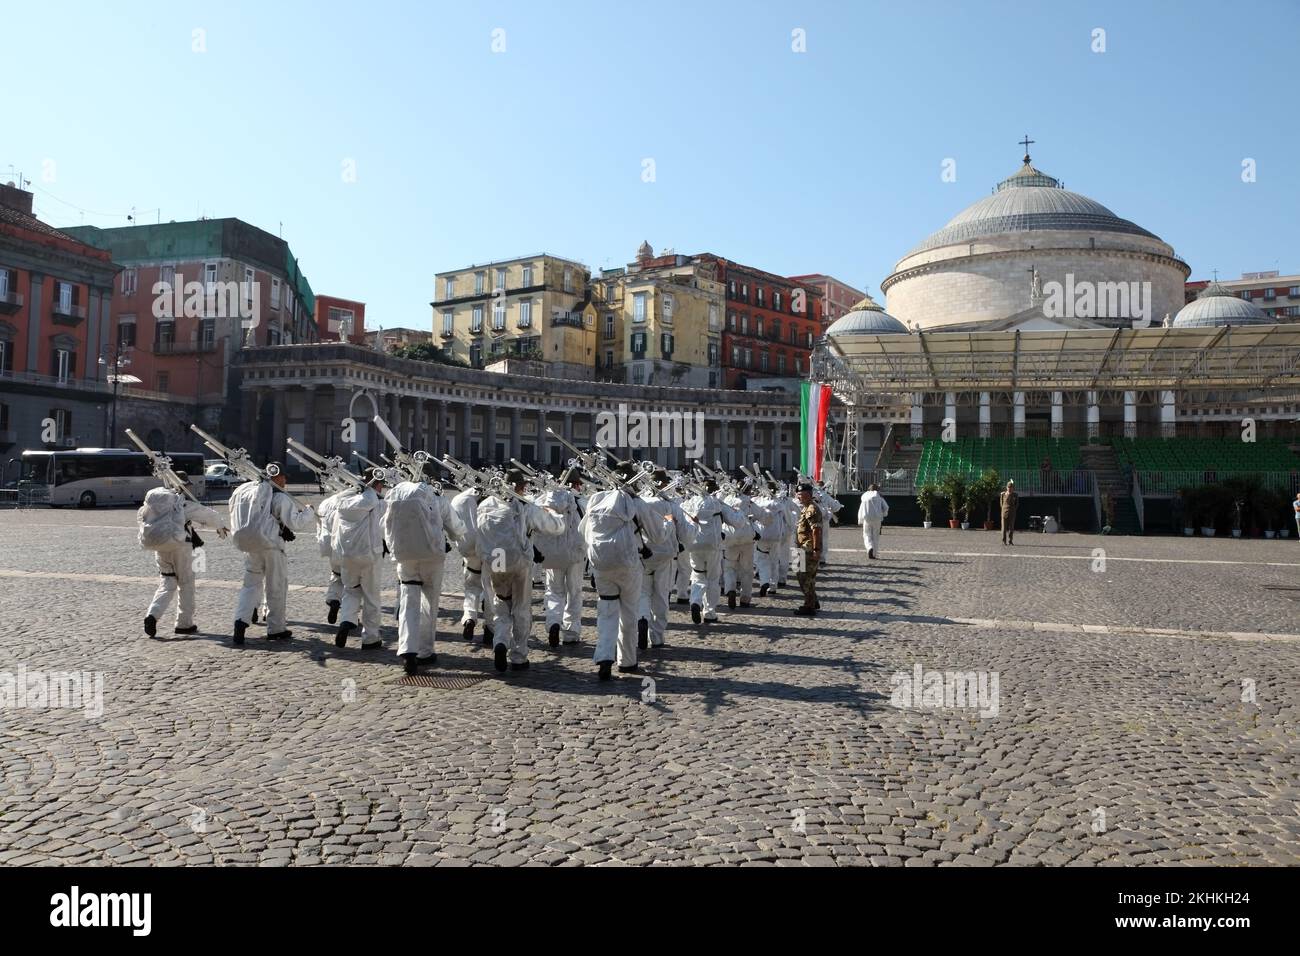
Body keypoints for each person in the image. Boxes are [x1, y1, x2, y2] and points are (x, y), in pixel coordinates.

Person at [581, 470, 667, 680]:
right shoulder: (637, 504)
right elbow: (658, 536)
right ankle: (627, 661)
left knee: (607, 611)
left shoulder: (596, 499)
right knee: (629, 612)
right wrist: (667, 523)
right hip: (629, 565)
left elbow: (581, 531)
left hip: (601, 564)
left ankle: (604, 656)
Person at [477, 470, 564, 672]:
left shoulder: (486, 504)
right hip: (519, 562)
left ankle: (500, 641)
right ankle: (518, 655)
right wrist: (553, 514)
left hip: (495, 561)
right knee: (521, 607)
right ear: (521, 487)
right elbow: (555, 527)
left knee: (501, 604)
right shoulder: (526, 506)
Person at [383, 463, 463, 674]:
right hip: (431, 557)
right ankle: (425, 651)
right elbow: (456, 526)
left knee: (408, 601)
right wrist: (455, 537)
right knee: (429, 602)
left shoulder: (395, 494)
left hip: (405, 556)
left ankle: (407, 649)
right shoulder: (437, 497)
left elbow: (385, 524)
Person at [229, 462, 317, 644]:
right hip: (272, 547)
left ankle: (240, 621)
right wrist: (309, 511)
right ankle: (276, 628)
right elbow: (296, 523)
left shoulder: (251, 493)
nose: (285, 480)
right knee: (275, 587)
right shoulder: (280, 498)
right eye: (283, 476)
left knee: (250, 586)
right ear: (275, 477)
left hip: (251, 545)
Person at [138, 471, 229, 638]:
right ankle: (184, 624)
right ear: (182, 485)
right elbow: (207, 514)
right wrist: (220, 525)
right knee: (186, 584)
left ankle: (152, 615)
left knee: (167, 584)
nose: (189, 488)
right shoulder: (180, 503)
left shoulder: (157, 504)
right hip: (181, 547)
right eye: (187, 485)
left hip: (161, 547)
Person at [333, 468, 389, 650]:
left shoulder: (344, 500)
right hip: (369, 555)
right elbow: (385, 526)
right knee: (371, 596)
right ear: (378, 484)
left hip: (347, 556)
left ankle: (346, 620)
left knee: (351, 590)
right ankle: (370, 637)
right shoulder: (375, 502)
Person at [536, 468, 587, 648]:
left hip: (552, 554)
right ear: (575, 484)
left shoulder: (544, 500)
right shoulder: (581, 502)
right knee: (574, 592)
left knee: (553, 590)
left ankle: (553, 622)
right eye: (580, 484)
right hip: (574, 555)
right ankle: (571, 633)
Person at [639, 468, 688, 650]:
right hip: (665, 556)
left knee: (642, 593)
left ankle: (642, 618)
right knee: (661, 595)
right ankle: (657, 637)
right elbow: (684, 533)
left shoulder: (640, 502)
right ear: (665, 484)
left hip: (643, 554)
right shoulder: (672, 506)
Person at [450, 478, 495, 646]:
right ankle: (491, 628)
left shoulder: (458, 499)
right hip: (493, 551)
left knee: (471, 586)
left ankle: (469, 617)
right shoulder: (496, 498)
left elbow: (453, 527)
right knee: (492, 589)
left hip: (469, 550)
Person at [315, 484, 348, 624]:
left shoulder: (325, 502)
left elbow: (319, 525)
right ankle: (350, 615)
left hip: (328, 545)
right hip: (344, 546)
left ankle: (334, 598)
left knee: (336, 574)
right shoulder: (349, 502)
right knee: (352, 581)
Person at [793, 483, 823, 616]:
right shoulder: (805, 508)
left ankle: (809, 605)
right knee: (800, 574)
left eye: (802, 495)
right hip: (801, 547)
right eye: (798, 495)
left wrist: (816, 549)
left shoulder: (812, 509)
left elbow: (816, 530)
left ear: (809, 495)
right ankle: (812, 600)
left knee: (805, 576)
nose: (799, 497)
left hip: (808, 547)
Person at [856, 482, 889, 559]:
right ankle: (874, 554)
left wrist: (860, 519)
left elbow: (861, 509)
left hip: (867, 518)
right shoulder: (879, 497)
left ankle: (869, 547)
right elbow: (886, 507)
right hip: (877, 519)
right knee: (875, 536)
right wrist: (884, 514)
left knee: (867, 535)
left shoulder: (864, 497)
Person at [1000, 479, 1019, 546]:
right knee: (1004, 529)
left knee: (1011, 528)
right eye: (1008, 487)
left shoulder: (1015, 495)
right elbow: (1001, 504)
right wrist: (1004, 510)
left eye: (1011, 487)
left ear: (1013, 488)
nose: (1010, 489)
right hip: (1004, 513)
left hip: (1012, 513)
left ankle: (1010, 540)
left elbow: (1017, 504)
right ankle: (1004, 541)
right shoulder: (1003, 494)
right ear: (1006, 487)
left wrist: (1013, 510)